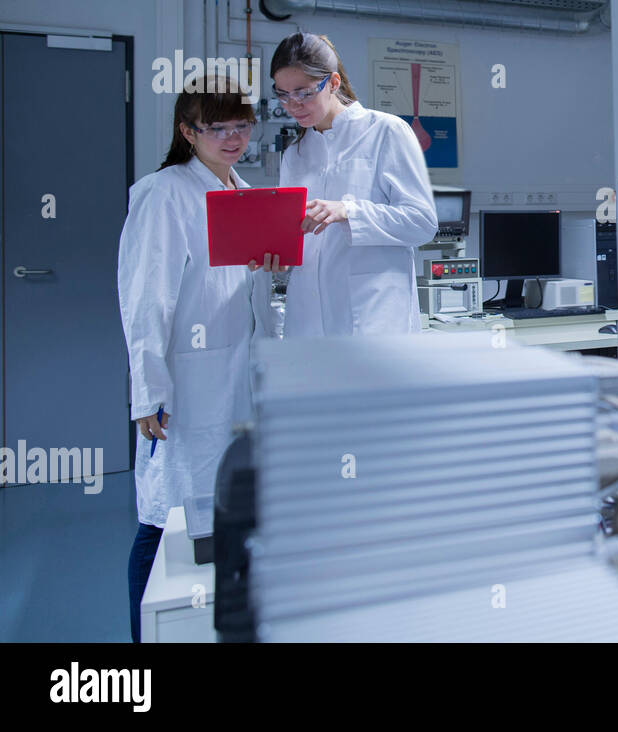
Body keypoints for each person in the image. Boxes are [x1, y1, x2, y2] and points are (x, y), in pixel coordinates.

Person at [118, 74, 268, 642]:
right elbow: (144, 297)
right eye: (217, 127)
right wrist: (147, 388)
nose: (232, 138)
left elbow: (241, 289)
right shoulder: (164, 193)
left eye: (241, 125)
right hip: (182, 386)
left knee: (216, 516)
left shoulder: (240, 190)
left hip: (233, 382)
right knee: (163, 522)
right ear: (188, 131)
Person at [259, 32, 437, 335]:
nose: (292, 105)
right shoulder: (296, 154)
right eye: (283, 94)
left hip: (373, 318)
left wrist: (350, 211)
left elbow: (422, 223)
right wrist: (277, 256)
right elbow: (298, 240)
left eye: (303, 93)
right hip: (308, 320)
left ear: (333, 83)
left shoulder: (385, 132)